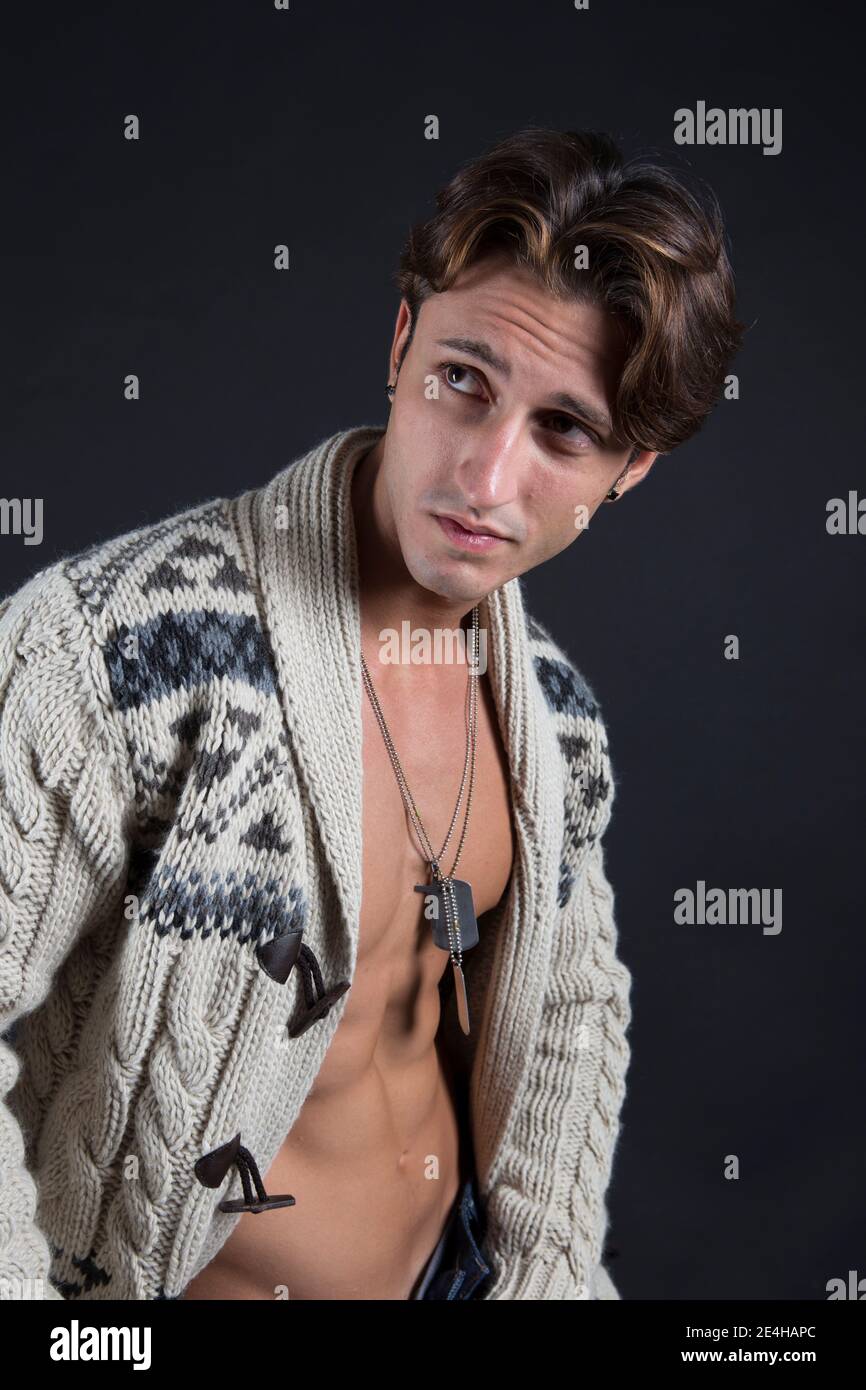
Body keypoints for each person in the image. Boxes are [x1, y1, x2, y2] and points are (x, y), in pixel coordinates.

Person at [0, 126, 744, 1302]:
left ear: (628, 469)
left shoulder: (554, 719)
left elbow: (567, 1016)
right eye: (464, 381)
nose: (482, 478)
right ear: (401, 346)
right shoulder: (117, 648)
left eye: (562, 429)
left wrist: (546, 1283)